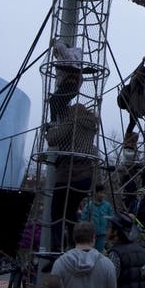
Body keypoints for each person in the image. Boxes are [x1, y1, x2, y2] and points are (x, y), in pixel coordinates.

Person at [45, 103, 99, 251]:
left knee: (56, 213)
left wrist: (49, 129)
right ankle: (76, 244)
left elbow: (53, 139)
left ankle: (56, 248)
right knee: (70, 212)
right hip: (85, 177)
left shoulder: (72, 122)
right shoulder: (90, 126)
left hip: (69, 175)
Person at [46, 39, 84, 122]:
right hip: (71, 87)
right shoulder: (70, 63)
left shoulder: (68, 57)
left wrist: (56, 43)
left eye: (56, 54)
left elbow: (64, 51)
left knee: (54, 100)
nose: (56, 57)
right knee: (60, 105)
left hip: (69, 85)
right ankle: (64, 122)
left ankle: (54, 122)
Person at [79, 184, 114, 252]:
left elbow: (111, 219)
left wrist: (109, 231)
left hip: (102, 234)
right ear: (96, 193)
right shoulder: (89, 205)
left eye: (103, 193)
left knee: (99, 253)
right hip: (91, 234)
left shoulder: (107, 206)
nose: (102, 195)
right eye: (101, 193)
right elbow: (83, 219)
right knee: (89, 252)